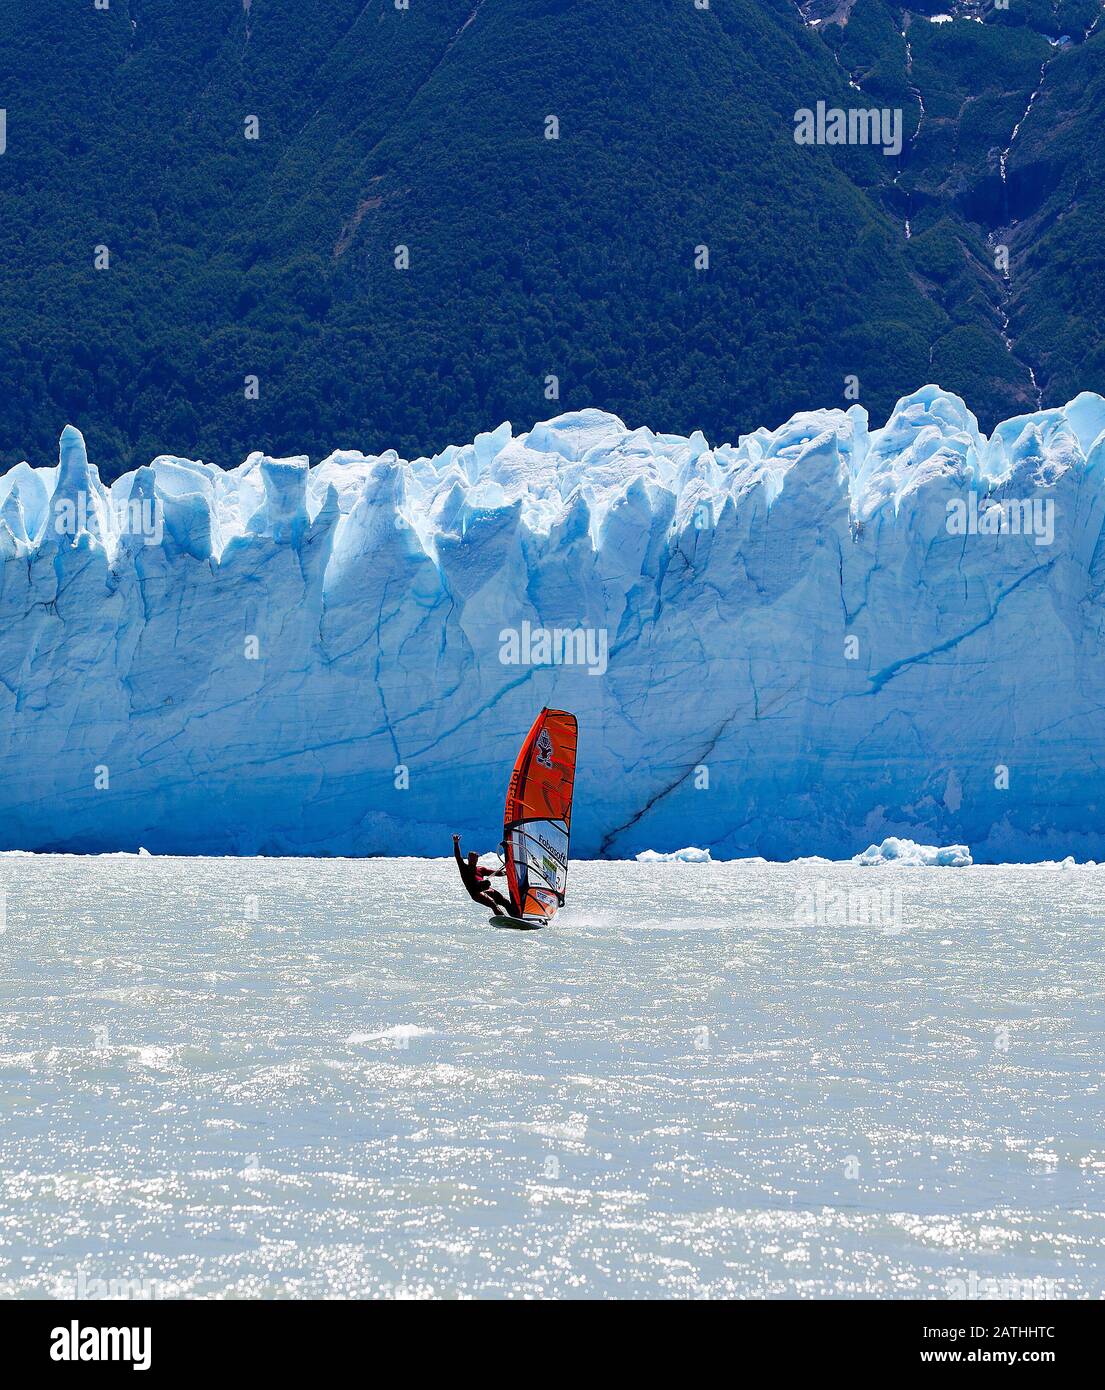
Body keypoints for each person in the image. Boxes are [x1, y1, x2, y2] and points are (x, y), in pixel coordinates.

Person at [453, 834, 516, 915]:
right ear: (468, 859)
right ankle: (504, 920)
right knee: (493, 904)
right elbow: (458, 856)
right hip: (476, 893)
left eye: (475, 859)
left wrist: (506, 873)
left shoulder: (480, 869)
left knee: (505, 901)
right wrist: (456, 843)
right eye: (472, 859)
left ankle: (516, 917)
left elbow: (494, 873)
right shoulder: (464, 868)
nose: (473, 861)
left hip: (486, 890)